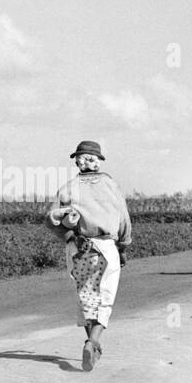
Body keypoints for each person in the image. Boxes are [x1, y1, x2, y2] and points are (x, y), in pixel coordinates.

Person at [46, 140, 132, 371]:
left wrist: (67, 237)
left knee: (85, 296)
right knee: (105, 296)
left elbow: (51, 218)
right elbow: (124, 220)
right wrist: (123, 246)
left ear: (78, 160)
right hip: (105, 246)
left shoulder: (68, 187)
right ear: (98, 160)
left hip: (78, 247)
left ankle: (91, 346)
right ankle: (92, 342)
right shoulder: (111, 185)